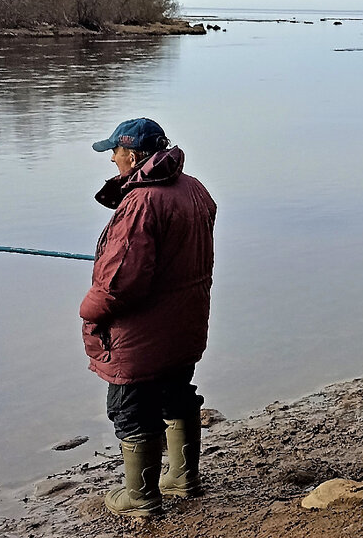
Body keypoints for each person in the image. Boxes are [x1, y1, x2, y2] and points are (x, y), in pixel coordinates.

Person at [82, 118, 217, 517]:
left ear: (135, 155)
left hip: (141, 335)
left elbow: (120, 284)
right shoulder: (194, 188)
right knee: (177, 391)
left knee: (130, 408)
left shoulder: (142, 203)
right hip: (184, 323)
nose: (112, 159)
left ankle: (141, 497)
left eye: (116, 151)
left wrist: (87, 308)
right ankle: (183, 477)